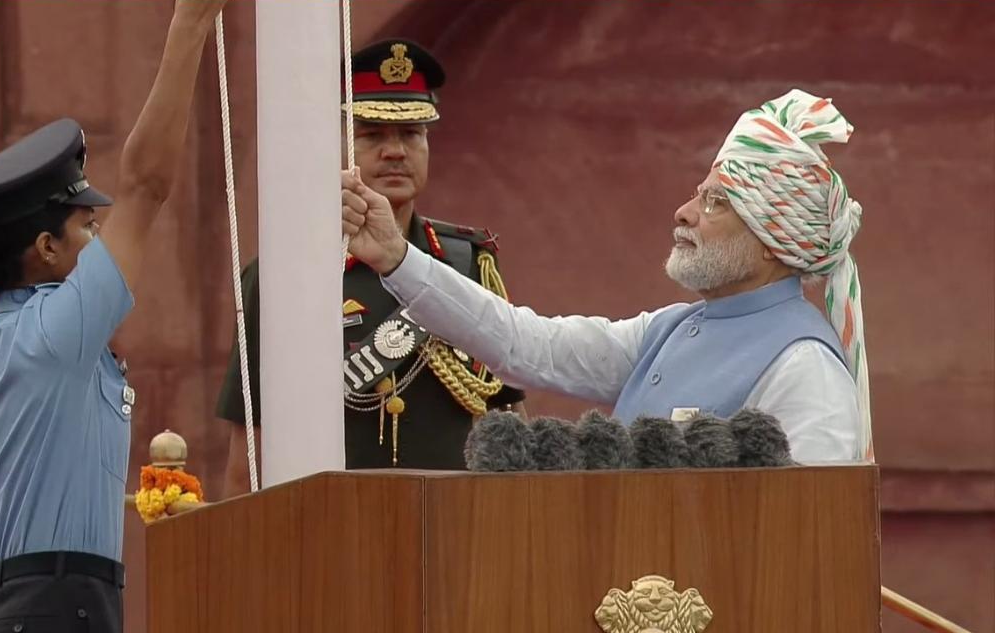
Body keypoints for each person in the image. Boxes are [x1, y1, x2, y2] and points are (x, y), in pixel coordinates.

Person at [342, 88, 872, 463]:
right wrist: (396, 256)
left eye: (714, 203)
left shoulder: (806, 368)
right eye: (698, 193)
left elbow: (803, 547)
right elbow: (526, 345)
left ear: (770, 241)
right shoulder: (668, 330)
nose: (684, 213)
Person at [0, 0, 227, 633]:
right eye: (85, 228)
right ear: (46, 248)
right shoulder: (57, 332)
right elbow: (149, 184)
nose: (100, 236)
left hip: (7, 623)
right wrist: (190, 23)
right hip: (59, 615)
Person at [218, 39, 524, 495]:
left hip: (459, 529)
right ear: (339, 147)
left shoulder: (468, 263)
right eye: (372, 135)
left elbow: (508, 420)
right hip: (334, 527)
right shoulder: (286, 277)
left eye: (411, 134)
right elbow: (250, 453)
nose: (395, 151)